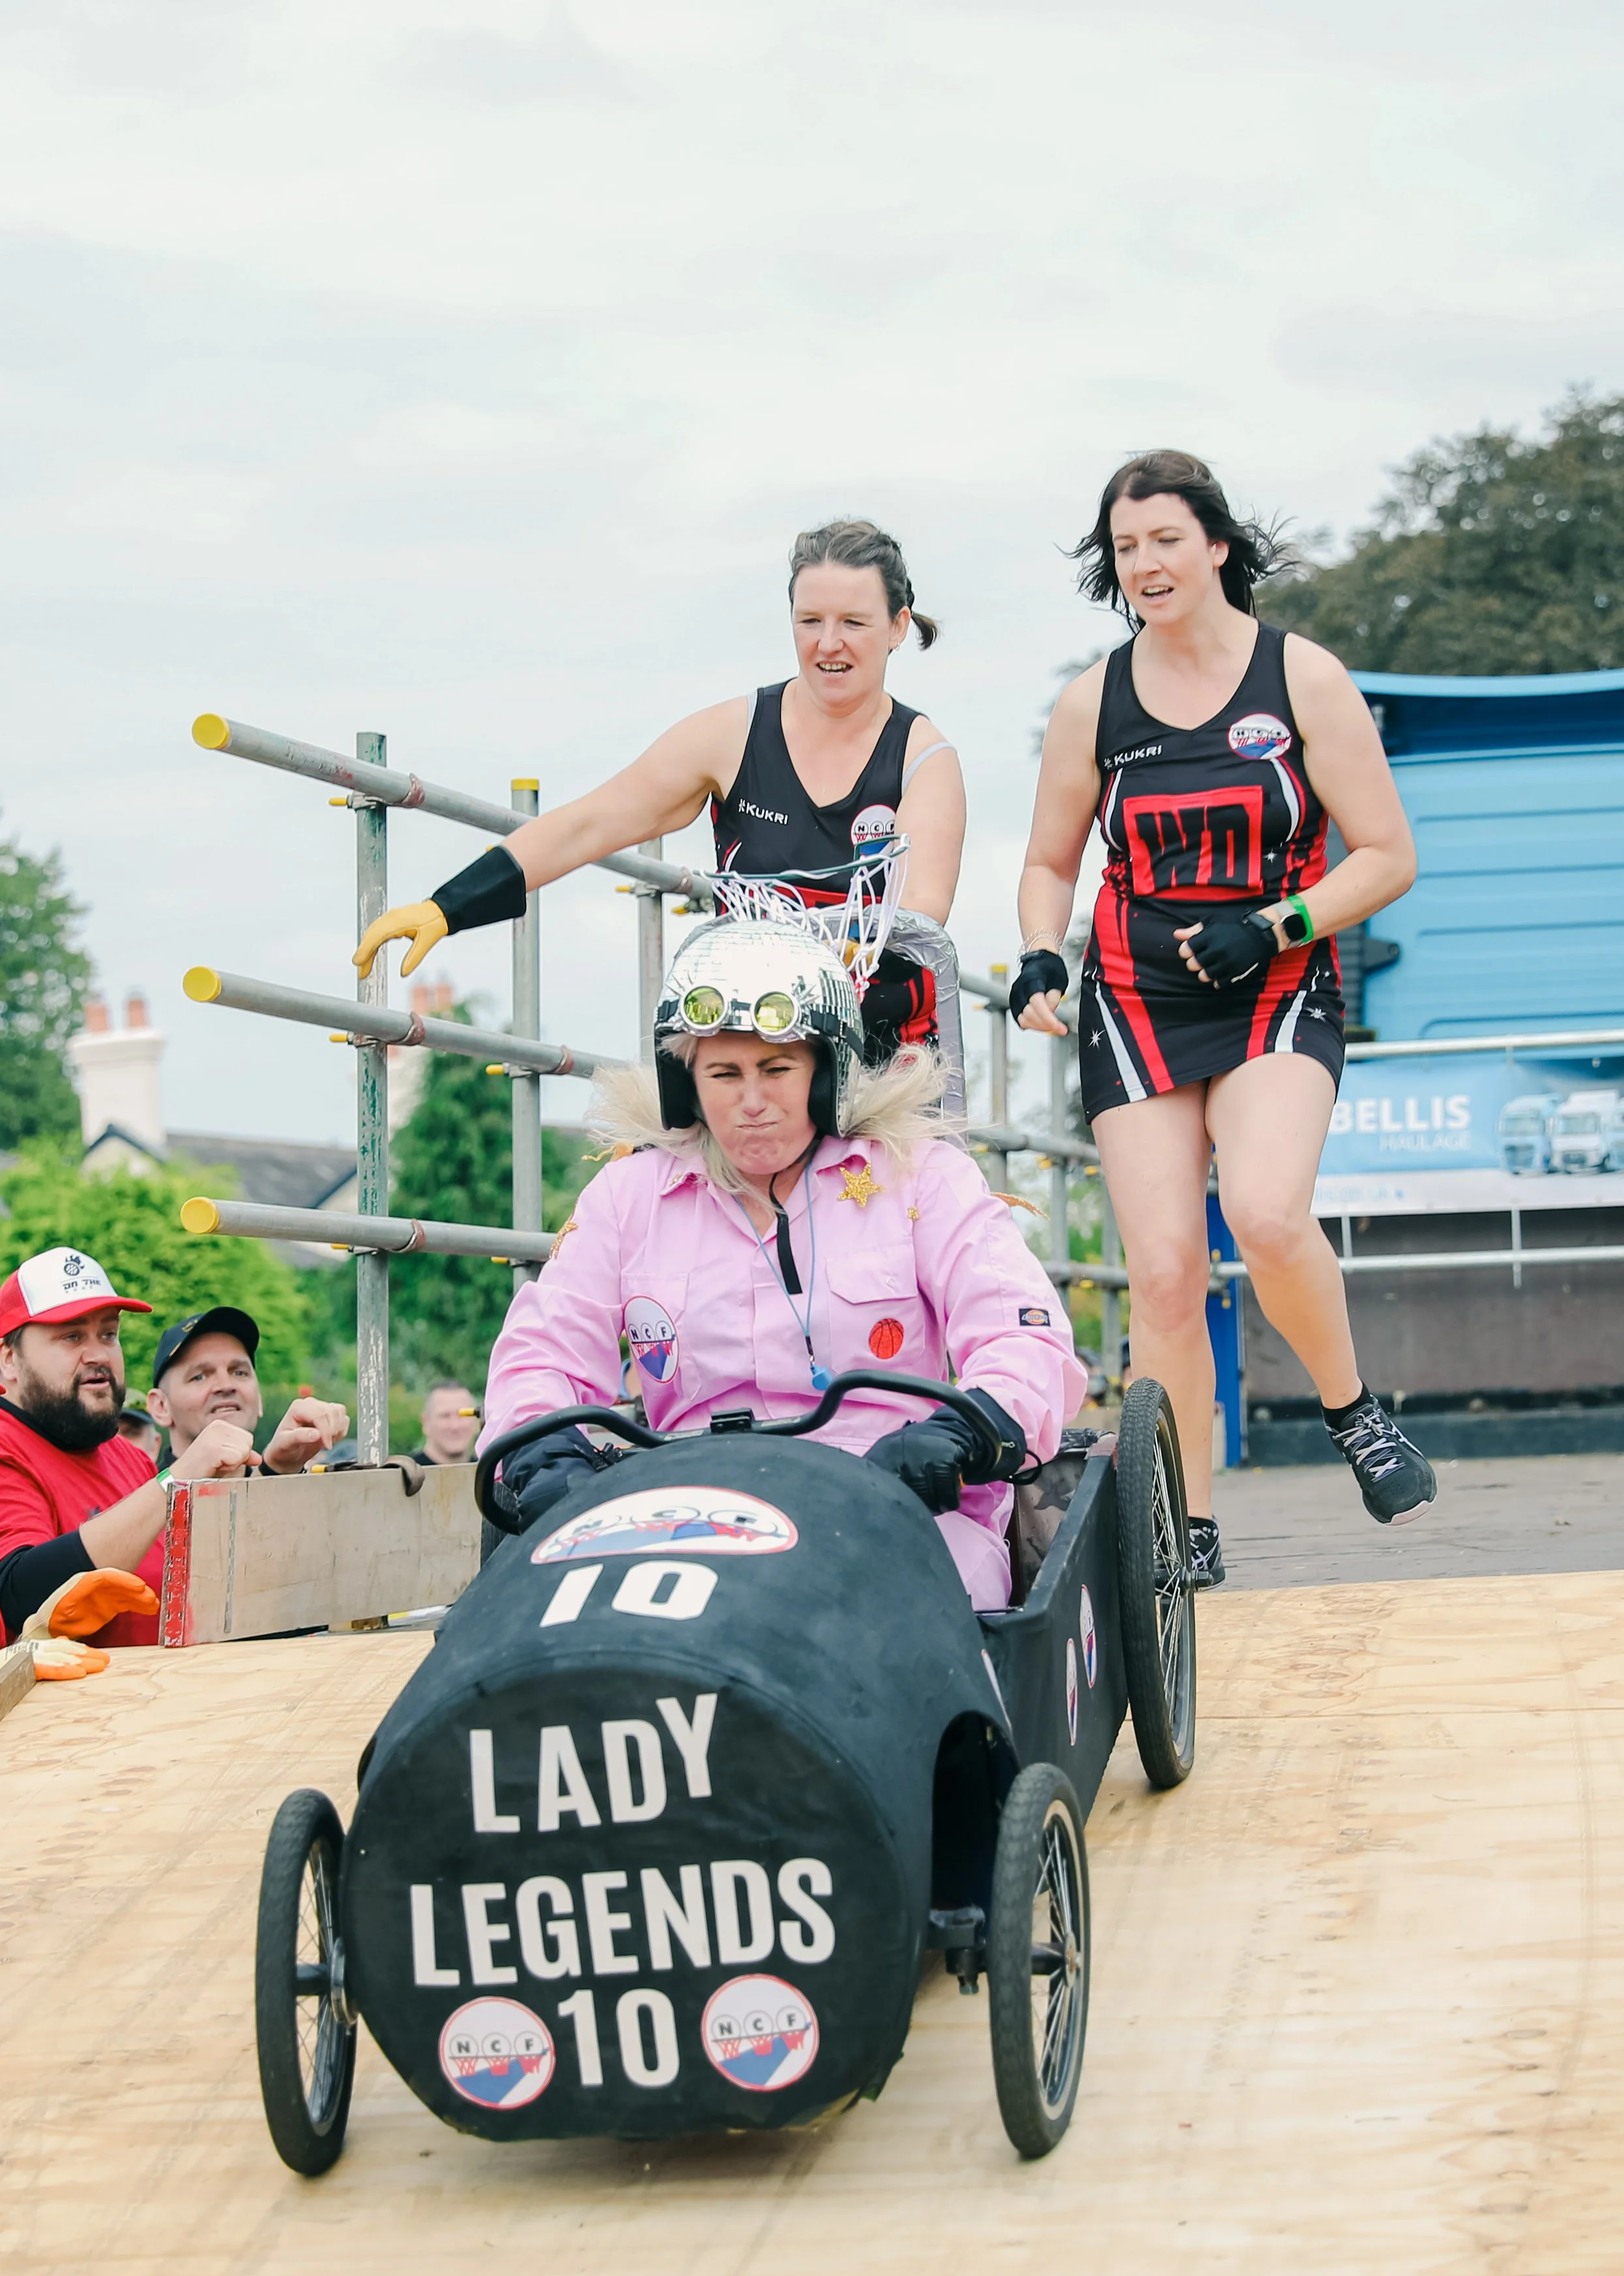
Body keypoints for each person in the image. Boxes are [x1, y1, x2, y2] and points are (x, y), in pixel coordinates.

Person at [1010, 450, 1435, 1586]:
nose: (1144, 563)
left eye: (1165, 540)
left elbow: (1387, 854)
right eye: (1125, 547)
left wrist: (1278, 923)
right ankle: (1185, 1530)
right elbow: (1050, 861)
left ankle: (1354, 1413)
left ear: (1217, 546)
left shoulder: (1303, 678)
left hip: (1274, 982)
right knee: (1161, 1273)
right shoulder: (1094, 701)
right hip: (1135, 996)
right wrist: (1042, 947)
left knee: (1264, 1211)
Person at [479, 914, 1084, 1612]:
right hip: (685, 1520)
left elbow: (1021, 1334)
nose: (752, 1102)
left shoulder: (921, 1175)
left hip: (897, 1504)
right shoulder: (626, 1196)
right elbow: (543, 1351)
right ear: (686, 1083)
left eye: (776, 1069)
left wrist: (962, 1430)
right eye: (724, 1074)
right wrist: (546, 1452)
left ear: (826, 1071)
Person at [350, 519, 968, 1081]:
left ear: (897, 627)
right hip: (751, 1049)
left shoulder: (924, 760)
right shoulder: (731, 735)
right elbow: (587, 825)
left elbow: (917, 919)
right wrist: (448, 906)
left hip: (886, 1066)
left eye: (854, 623)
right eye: (811, 621)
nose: (829, 644)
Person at [0, 1250, 257, 1648]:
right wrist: (179, 1475)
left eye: (109, 1334)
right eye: (72, 1336)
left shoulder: (124, 1455)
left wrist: (276, 1469)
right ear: (10, 1358)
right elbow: (20, 1596)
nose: (98, 1355)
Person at [144, 1307, 347, 1472]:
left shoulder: (291, 1488)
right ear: (161, 1407)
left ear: (259, 1399)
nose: (226, 1386)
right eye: (200, 1377)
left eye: (239, 1373)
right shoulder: (136, 1502)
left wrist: (280, 1469)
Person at [412, 1380, 479, 1467]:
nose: (455, 1426)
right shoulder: (405, 1473)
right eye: (445, 1416)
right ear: (425, 1422)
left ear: (476, 1421)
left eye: (463, 1415)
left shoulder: (489, 1472)